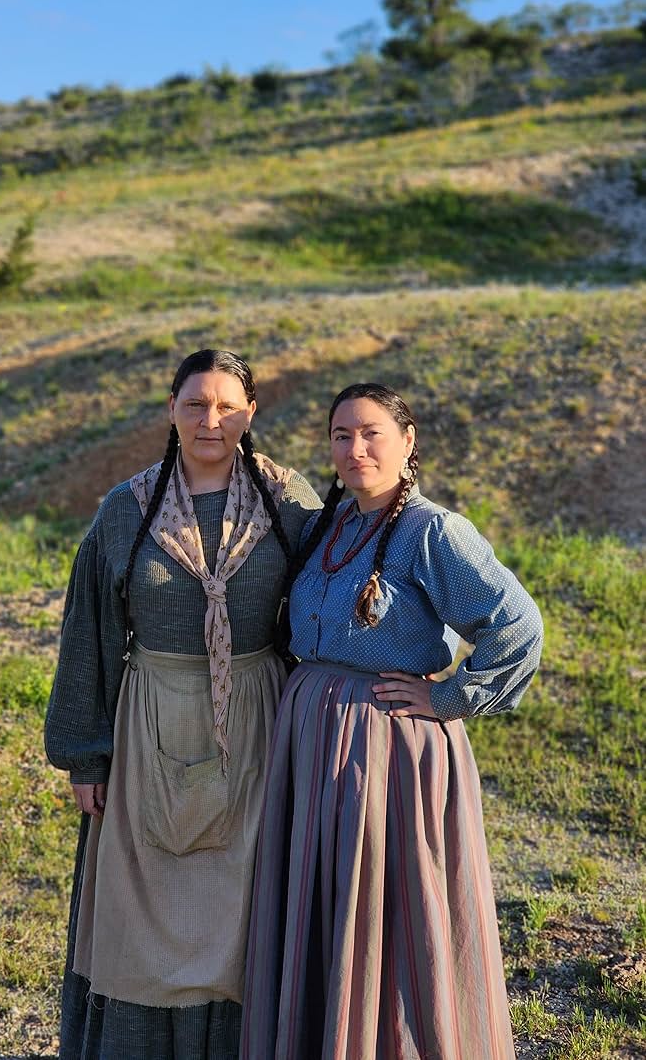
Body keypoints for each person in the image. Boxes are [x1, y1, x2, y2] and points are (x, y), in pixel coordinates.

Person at [241, 382, 543, 1060]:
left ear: (408, 441)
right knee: (323, 908)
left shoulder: (431, 531)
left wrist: (448, 699)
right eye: (341, 434)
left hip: (386, 753)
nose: (356, 448)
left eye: (373, 432)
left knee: (385, 915)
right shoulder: (330, 524)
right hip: (312, 744)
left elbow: (518, 626)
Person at [44, 349, 321, 1060]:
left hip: (256, 722)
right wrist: (84, 752)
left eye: (228, 404)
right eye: (196, 402)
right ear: (171, 408)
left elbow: (336, 594)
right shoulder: (125, 510)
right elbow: (91, 632)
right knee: (144, 909)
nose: (211, 418)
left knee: (241, 906)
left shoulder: (288, 504)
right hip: (148, 723)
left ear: (252, 412)